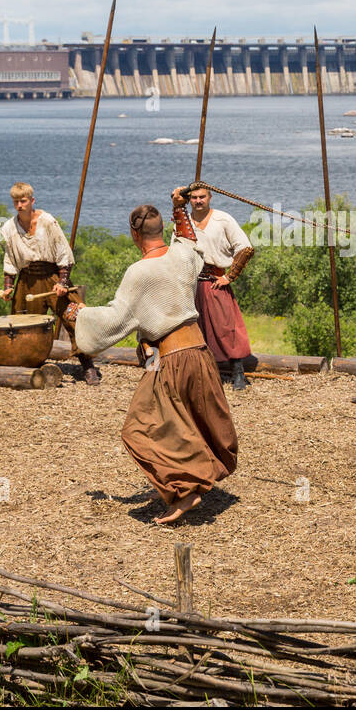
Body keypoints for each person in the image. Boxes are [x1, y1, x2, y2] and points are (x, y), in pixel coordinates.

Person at [69, 189, 238, 524]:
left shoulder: (138, 273)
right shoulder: (184, 255)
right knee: (187, 419)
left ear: (134, 235)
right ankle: (172, 484)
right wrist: (179, 208)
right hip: (200, 353)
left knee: (139, 428)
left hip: (172, 358)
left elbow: (117, 318)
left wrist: (81, 314)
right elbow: (190, 238)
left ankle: (186, 490)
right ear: (161, 230)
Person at [0, 182, 100, 384]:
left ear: (32, 201)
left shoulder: (47, 222)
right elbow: (10, 259)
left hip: (53, 277)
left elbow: (63, 252)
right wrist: (8, 287)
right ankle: (27, 365)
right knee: (23, 325)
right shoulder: (9, 227)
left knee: (74, 317)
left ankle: (88, 366)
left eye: (23, 200)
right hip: (26, 280)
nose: (19, 205)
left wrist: (62, 282)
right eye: (16, 201)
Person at [183, 186, 255, 390]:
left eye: (202, 197)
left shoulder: (223, 219)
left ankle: (238, 374)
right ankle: (204, 373)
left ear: (210, 197)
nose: (198, 201)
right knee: (195, 329)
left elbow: (246, 248)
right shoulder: (184, 222)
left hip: (215, 281)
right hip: (191, 282)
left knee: (227, 327)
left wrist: (229, 276)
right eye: (194, 197)